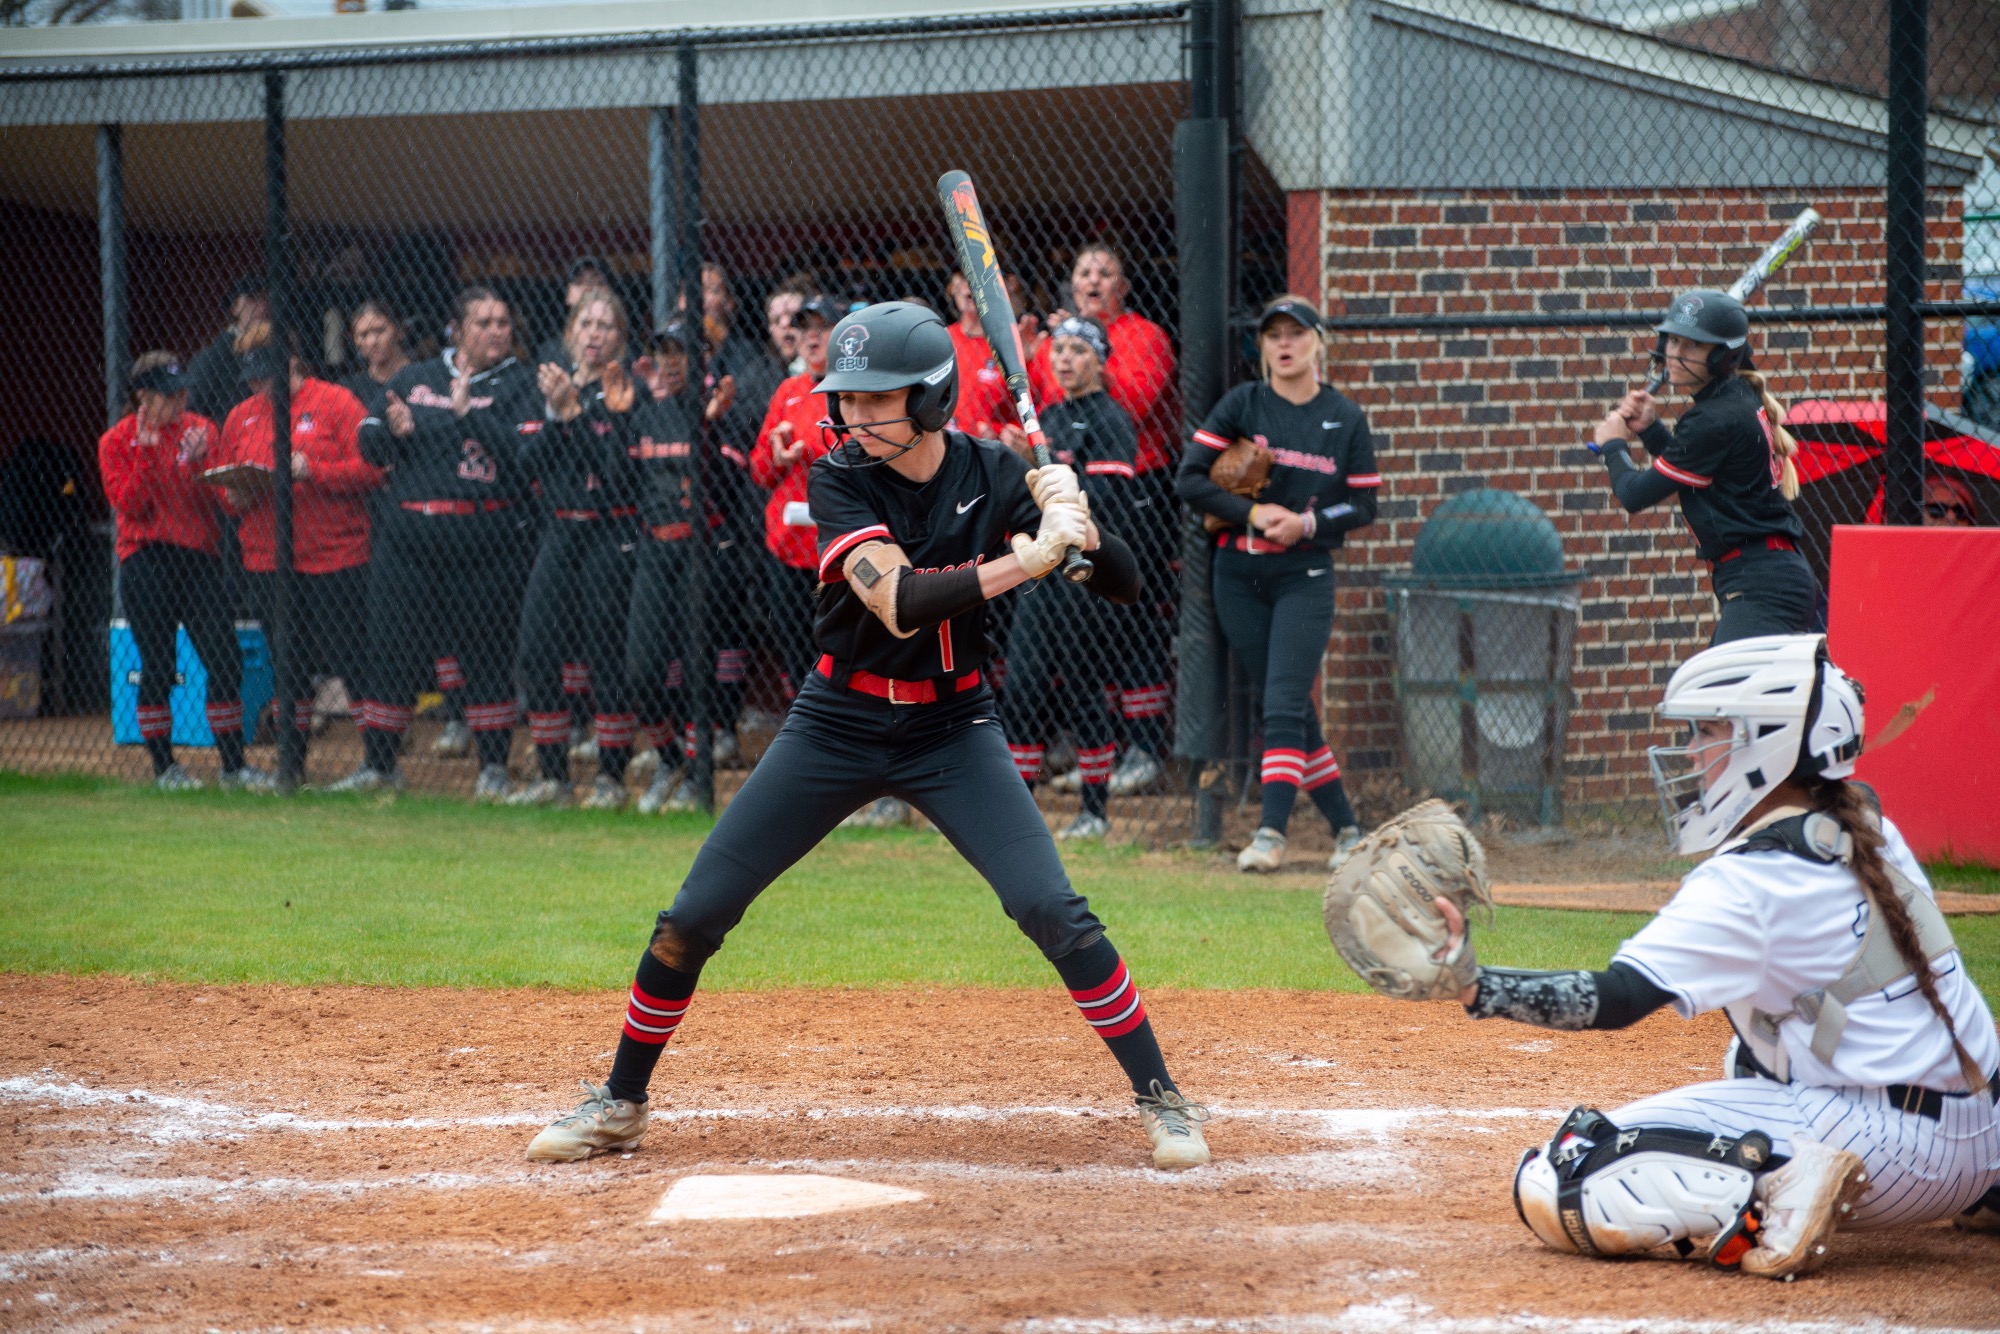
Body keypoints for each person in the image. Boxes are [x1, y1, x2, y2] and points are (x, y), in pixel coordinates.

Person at [523, 302, 1210, 1172]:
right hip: (834, 720)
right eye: (843, 399)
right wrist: (1029, 561)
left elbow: (1121, 585)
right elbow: (900, 600)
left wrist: (1081, 525)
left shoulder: (996, 472)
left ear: (927, 401)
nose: (848, 416)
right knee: (693, 915)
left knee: (1051, 909)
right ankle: (620, 1101)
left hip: (951, 727)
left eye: (872, 400)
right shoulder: (839, 476)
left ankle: (1162, 1099)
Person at [1431, 634, 2000, 1277]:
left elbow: (1616, 999)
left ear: (1768, 745)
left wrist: (1478, 985)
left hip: (1893, 1159)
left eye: (1710, 731)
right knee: (1748, 1051)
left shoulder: (1748, 881)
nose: (1694, 751)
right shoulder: (1865, 823)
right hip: (1984, 1134)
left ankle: (1789, 1190)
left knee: (1561, 1179)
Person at [1176, 296, 1378, 874]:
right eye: (1272, 336)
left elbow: (1365, 504)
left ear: (1318, 341)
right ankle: (1347, 830)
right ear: (1262, 347)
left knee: (1285, 701)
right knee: (1287, 707)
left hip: (1304, 574)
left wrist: (1308, 523)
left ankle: (1270, 833)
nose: (1283, 344)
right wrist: (1254, 515)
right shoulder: (1244, 404)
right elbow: (1189, 480)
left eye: (1295, 333)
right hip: (1237, 572)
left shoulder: (1345, 417)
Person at [334, 285, 541, 800]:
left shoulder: (521, 383)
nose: (497, 331)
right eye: (484, 322)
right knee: (391, 651)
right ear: (458, 330)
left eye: (502, 322)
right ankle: (380, 767)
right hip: (408, 541)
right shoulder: (417, 376)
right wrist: (393, 433)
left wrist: (472, 413)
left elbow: (525, 460)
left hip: (484, 541)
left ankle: (493, 768)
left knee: (486, 654)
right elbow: (369, 442)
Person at [1031, 243, 1180, 794]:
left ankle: (1144, 749)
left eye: (1105, 272)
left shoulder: (1146, 336)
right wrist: (1055, 349)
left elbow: (1134, 401)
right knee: (1081, 621)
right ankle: (1100, 745)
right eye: (1083, 271)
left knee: (1135, 615)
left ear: (1123, 286)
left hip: (1140, 489)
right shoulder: (1058, 343)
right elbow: (1047, 404)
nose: (1093, 280)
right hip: (1071, 496)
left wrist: (1078, 348)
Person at [1593, 289, 1819, 645]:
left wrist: (1613, 445)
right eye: (1674, 342)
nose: (1677, 355)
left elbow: (1634, 494)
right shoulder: (1733, 396)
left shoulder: (1714, 418)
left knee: (1719, 697)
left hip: (1763, 587)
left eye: (1693, 346)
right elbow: (1699, 476)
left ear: (1723, 357)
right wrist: (1651, 431)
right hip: (1766, 580)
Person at [213, 324, 381, 785]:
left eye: (264, 376)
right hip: (268, 561)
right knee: (289, 664)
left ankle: (380, 764)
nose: (256, 387)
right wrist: (238, 495)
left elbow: (373, 469)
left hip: (335, 556)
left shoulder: (335, 402)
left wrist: (315, 470)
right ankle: (292, 768)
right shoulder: (240, 417)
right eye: (249, 378)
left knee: (352, 660)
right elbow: (227, 496)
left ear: (290, 363)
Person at [1000, 316, 1140, 840]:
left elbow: (1103, 507)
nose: (1065, 359)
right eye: (1058, 349)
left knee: (1083, 687)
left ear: (1099, 361)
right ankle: (1017, 817)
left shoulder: (1111, 420)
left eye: (1079, 350)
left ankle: (1095, 812)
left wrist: (1061, 488)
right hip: (1041, 567)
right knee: (1023, 686)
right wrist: (1018, 462)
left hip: (1084, 572)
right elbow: (1028, 502)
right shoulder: (1050, 417)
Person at [98, 353, 259, 791]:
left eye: (183, 391)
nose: (181, 400)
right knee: (159, 665)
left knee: (224, 658)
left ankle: (233, 767)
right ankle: (165, 767)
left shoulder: (202, 429)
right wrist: (149, 453)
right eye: (170, 395)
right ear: (143, 397)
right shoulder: (116, 441)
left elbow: (224, 503)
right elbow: (133, 506)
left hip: (198, 560)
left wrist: (206, 465)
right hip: (146, 561)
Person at [511, 291, 643, 809]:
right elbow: (524, 465)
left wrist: (575, 418)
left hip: (609, 535)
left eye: (606, 326)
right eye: (585, 324)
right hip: (559, 533)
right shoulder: (549, 385)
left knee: (606, 656)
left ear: (620, 338)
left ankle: (610, 780)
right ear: (569, 333)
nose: (594, 334)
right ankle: (554, 778)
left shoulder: (626, 391)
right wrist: (559, 415)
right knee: (537, 651)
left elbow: (616, 478)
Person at [623, 319, 737, 815]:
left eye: (681, 353)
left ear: (703, 358)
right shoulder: (646, 412)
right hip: (654, 550)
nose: (671, 363)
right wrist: (616, 414)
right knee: (641, 672)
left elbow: (731, 490)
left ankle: (699, 777)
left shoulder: (721, 411)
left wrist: (709, 425)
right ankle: (670, 760)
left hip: (701, 551)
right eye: (663, 353)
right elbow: (618, 480)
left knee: (697, 671)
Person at [185, 273, 268, 427]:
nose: (262, 306)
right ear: (235, 307)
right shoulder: (211, 358)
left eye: (264, 298)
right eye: (252, 299)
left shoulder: (279, 347)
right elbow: (192, 411)